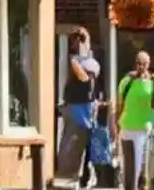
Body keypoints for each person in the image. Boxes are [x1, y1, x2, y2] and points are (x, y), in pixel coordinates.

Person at [55, 26, 99, 188]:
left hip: (83, 111)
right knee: (70, 145)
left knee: (77, 145)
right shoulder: (75, 60)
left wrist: (75, 62)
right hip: (73, 108)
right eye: (74, 41)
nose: (75, 45)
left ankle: (77, 178)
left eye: (79, 41)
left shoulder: (90, 63)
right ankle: (75, 177)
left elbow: (85, 78)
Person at [116, 51, 154, 190]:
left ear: (149, 64)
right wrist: (116, 125)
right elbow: (120, 104)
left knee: (141, 166)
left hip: (144, 129)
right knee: (128, 165)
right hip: (127, 127)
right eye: (139, 63)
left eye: (144, 64)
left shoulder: (152, 82)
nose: (141, 67)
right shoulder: (126, 81)